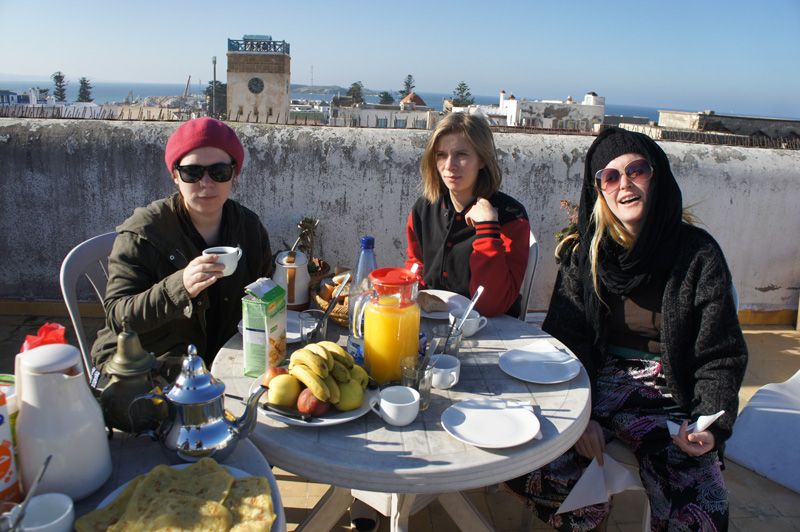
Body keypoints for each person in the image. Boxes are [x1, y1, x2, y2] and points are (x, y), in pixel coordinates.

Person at [506, 127, 748, 530]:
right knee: (525, 456)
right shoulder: (586, 255)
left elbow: (719, 353)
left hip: (672, 393)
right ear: (599, 191)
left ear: (658, 178)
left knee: (699, 505)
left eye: (637, 170)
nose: (625, 184)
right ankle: (591, 516)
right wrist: (579, 418)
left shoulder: (697, 255)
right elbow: (566, 344)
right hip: (599, 384)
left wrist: (709, 421)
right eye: (610, 176)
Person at [91, 117, 272, 380]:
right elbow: (119, 317)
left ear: (234, 174)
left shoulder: (249, 228)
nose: (206, 183)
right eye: (192, 172)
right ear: (175, 175)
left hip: (216, 362)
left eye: (219, 172)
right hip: (145, 367)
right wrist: (180, 286)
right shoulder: (144, 233)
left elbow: (260, 296)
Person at [405, 113, 530, 317]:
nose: (449, 165)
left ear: (481, 159)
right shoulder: (424, 208)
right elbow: (416, 265)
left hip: (492, 331)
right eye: (441, 155)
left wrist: (488, 229)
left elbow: (491, 305)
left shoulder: (511, 217)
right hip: (430, 324)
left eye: (461, 154)